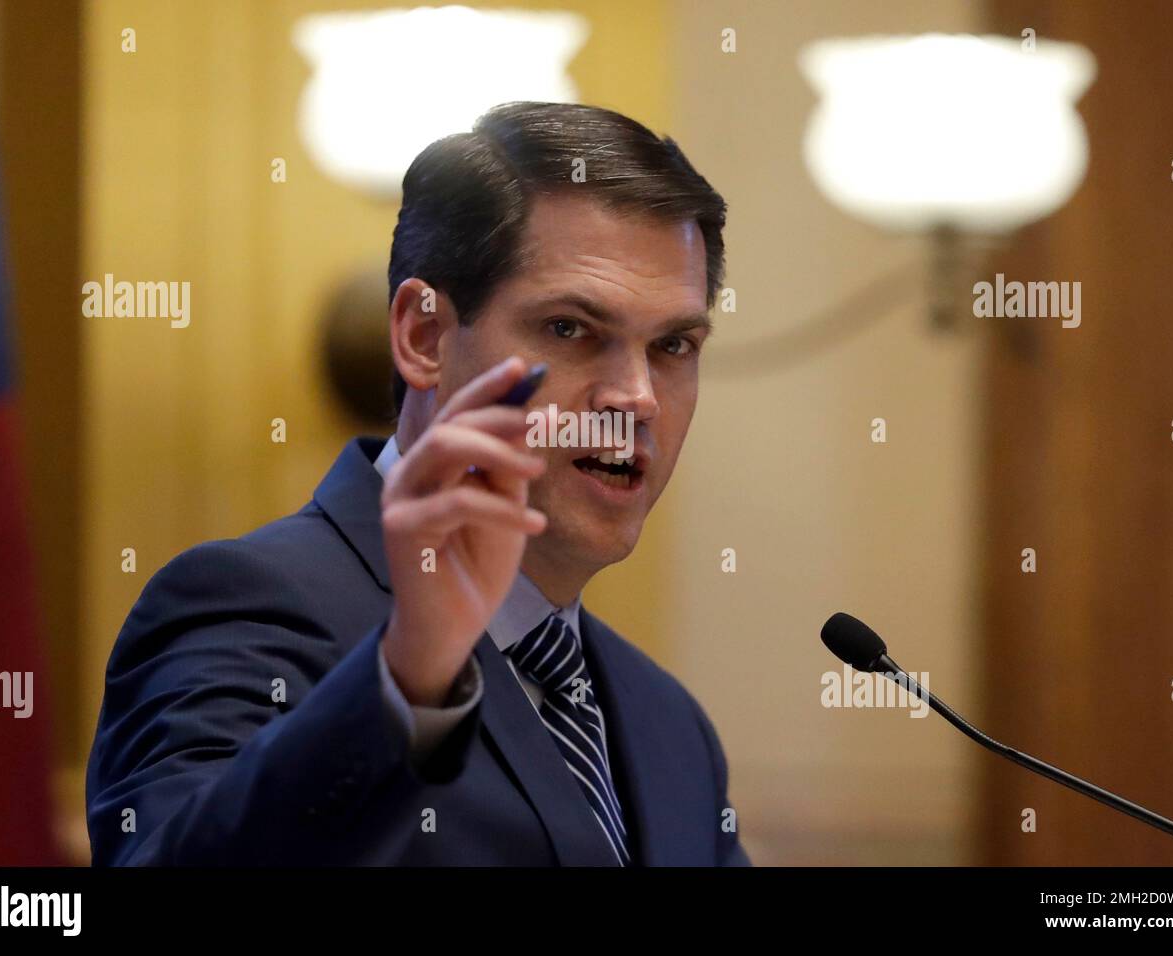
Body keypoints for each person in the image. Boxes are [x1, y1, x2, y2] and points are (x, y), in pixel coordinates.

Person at [86, 101, 749, 866]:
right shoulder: (246, 606)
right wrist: (410, 679)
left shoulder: (671, 728)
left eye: (673, 345)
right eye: (571, 328)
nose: (636, 397)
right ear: (424, 335)